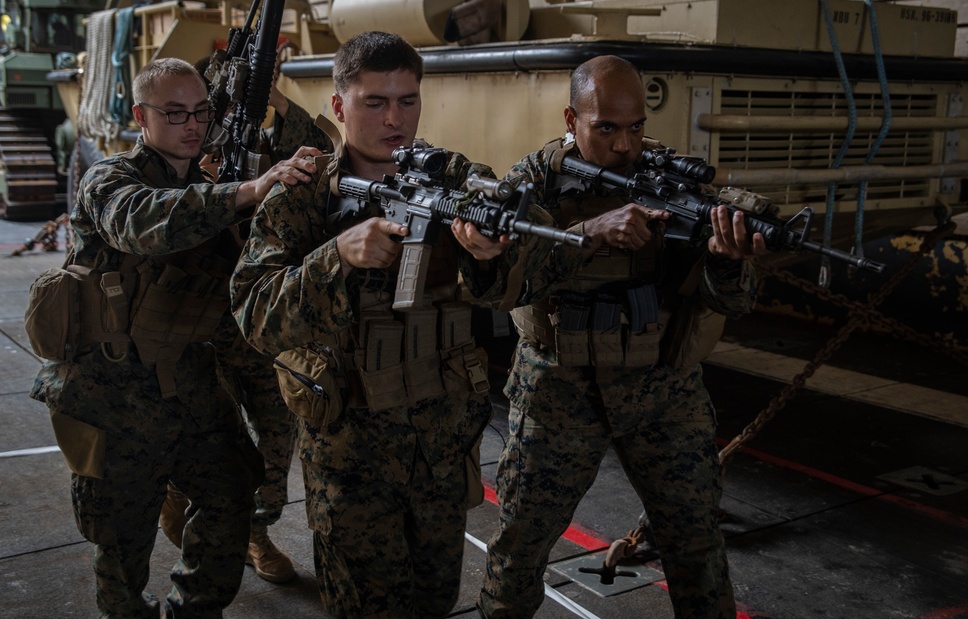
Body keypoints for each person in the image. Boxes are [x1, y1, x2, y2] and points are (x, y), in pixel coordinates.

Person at [229, 31, 580, 617]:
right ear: (339, 106)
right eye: (375, 102)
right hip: (350, 455)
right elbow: (254, 315)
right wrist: (334, 257)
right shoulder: (301, 195)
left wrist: (493, 254)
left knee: (434, 601)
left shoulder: (451, 177)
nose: (395, 119)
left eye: (408, 100)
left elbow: (534, 263)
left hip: (442, 449)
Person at [477, 55, 765, 619]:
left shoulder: (668, 179)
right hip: (557, 391)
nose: (624, 144)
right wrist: (585, 234)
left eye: (635, 127)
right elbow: (498, 286)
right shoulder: (533, 180)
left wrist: (726, 261)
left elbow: (731, 301)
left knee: (696, 544)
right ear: (572, 118)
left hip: (661, 390)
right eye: (605, 127)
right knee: (520, 547)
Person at [28, 57, 317, 617]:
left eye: (202, 112)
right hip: (110, 391)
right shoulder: (110, 179)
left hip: (188, 383)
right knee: (120, 537)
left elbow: (297, 170)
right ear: (141, 115)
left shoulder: (212, 182)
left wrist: (273, 128)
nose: (191, 125)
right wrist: (245, 190)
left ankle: (195, 606)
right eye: (175, 112)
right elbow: (141, 222)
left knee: (234, 489)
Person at [159, 58, 335, 585]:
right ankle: (188, 507)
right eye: (188, 112)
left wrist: (274, 100)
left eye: (211, 109)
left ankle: (256, 531)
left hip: (259, 338)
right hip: (200, 341)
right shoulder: (176, 164)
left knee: (277, 451)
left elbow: (319, 151)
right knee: (216, 458)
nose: (197, 122)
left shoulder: (255, 153)